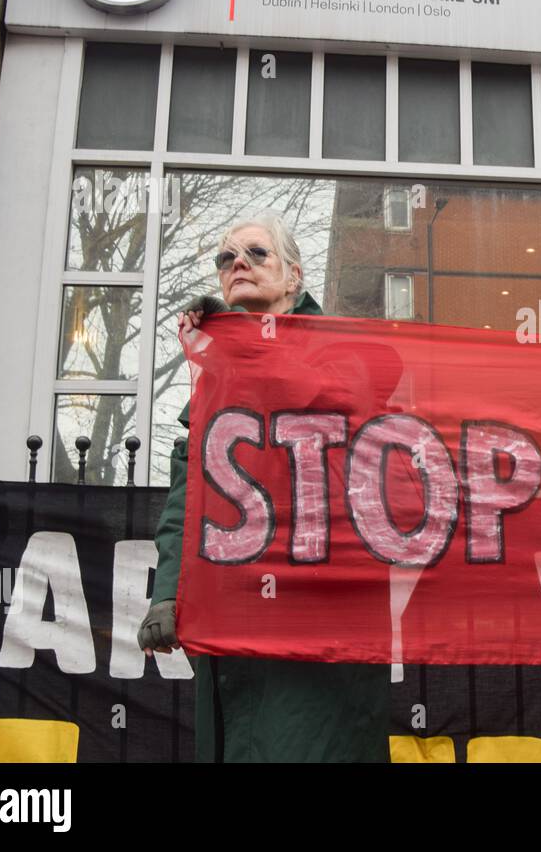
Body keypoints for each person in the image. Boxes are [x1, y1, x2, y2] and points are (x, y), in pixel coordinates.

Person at [137, 213, 392, 762]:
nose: (238, 265)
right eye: (226, 259)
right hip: (234, 607)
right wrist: (167, 593)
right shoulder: (216, 371)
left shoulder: (342, 349)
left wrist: (238, 347)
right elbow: (190, 494)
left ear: (294, 276)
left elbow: (337, 406)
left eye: (256, 254)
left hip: (320, 606)